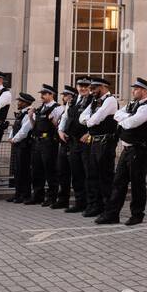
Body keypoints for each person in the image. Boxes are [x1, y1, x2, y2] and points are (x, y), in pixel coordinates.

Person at [96, 78, 147, 226]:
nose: (133, 91)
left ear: (144, 91)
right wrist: (126, 118)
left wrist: (125, 119)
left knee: (137, 184)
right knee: (118, 182)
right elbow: (117, 115)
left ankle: (137, 214)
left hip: (139, 150)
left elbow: (130, 124)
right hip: (127, 148)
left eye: (136, 89)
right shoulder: (132, 104)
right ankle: (112, 214)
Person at [82, 77, 119, 217]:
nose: (91, 91)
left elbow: (96, 119)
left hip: (105, 143)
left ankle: (107, 207)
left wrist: (89, 121)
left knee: (105, 176)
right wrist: (89, 121)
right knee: (92, 175)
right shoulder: (94, 100)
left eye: (94, 88)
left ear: (103, 87)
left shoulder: (110, 100)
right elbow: (83, 117)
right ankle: (95, 205)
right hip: (94, 141)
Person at [57, 77, 93, 212]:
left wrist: (89, 132)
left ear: (90, 87)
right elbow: (65, 117)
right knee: (76, 173)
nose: (82, 88)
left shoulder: (93, 100)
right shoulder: (72, 101)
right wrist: (60, 130)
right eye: (80, 85)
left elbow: (94, 119)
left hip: (85, 142)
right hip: (72, 142)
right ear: (76, 86)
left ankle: (90, 203)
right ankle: (79, 202)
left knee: (87, 173)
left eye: (85, 85)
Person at [31, 84, 63, 207]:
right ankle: (38, 195)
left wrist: (53, 120)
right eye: (41, 94)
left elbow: (59, 126)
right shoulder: (40, 108)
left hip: (49, 142)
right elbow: (35, 125)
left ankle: (52, 197)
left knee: (50, 169)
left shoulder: (57, 108)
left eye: (44, 94)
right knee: (37, 169)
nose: (42, 96)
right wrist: (30, 117)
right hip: (38, 141)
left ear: (51, 95)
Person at [8, 92, 37, 203]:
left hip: (25, 146)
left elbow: (24, 131)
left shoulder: (30, 114)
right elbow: (14, 127)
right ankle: (17, 193)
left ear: (25, 103)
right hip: (18, 145)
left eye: (20, 101)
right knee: (17, 170)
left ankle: (25, 195)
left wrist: (14, 139)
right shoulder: (21, 113)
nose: (18, 103)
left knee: (23, 170)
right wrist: (11, 137)